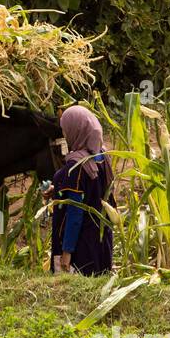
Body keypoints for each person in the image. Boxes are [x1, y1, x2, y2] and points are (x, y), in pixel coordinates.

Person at [49, 105, 114, 276]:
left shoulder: (76, 167)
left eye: (65, 129)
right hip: (101, 242)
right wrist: (58, 190)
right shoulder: (102, 156)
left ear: (76, 130)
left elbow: (75, 213)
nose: (64, 134)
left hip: (82, 249)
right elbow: (94, 192)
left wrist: (67, 253)